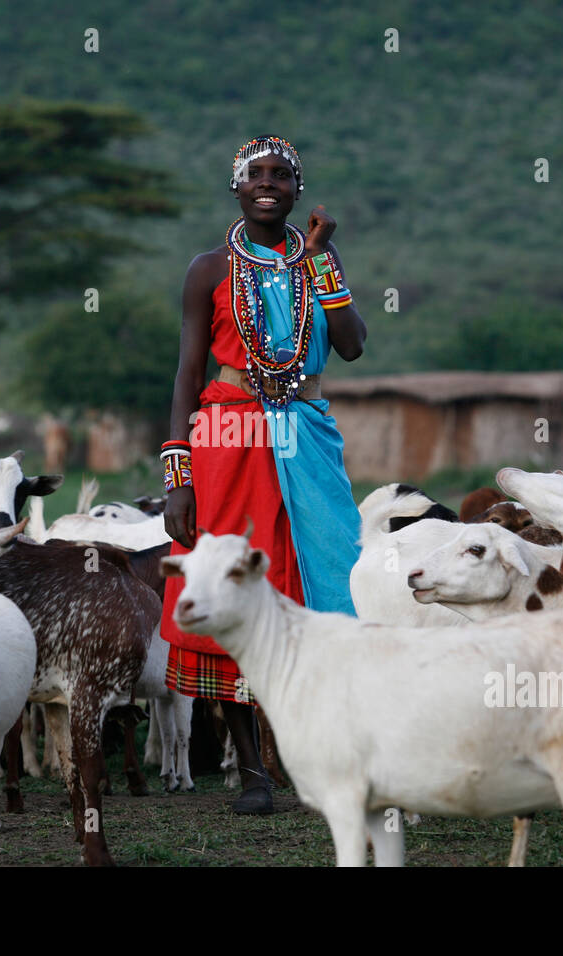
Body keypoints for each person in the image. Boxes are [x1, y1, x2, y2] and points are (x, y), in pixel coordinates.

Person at [161, 136, 367, 813]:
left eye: (283, 175)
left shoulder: (319, 260)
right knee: (237, 582)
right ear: (237, 187)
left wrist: (321, 265)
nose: (269, 184)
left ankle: (324, 753)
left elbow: (352, 344)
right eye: (257, 175)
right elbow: (189, 374)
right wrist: (178, 474)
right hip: (230, 431)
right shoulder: (208, 269)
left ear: (298, 190)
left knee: (323, 573)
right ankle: (253, 771)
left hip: (304, 433)